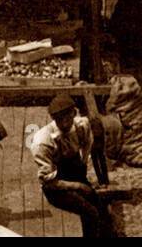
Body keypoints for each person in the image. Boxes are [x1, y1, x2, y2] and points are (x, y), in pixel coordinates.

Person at [32, 95, 116, 236]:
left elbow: (87, 149)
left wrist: (85, 181)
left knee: (103, 209)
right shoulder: (43, 142)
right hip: (57, 187)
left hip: (76, 177)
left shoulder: (81, 126)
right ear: (54, 119)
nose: (64, 124)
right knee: (90, 213)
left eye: (67, 118)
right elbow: (48, 182)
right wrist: (79, 186)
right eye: (59, 120)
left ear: (74, 113)